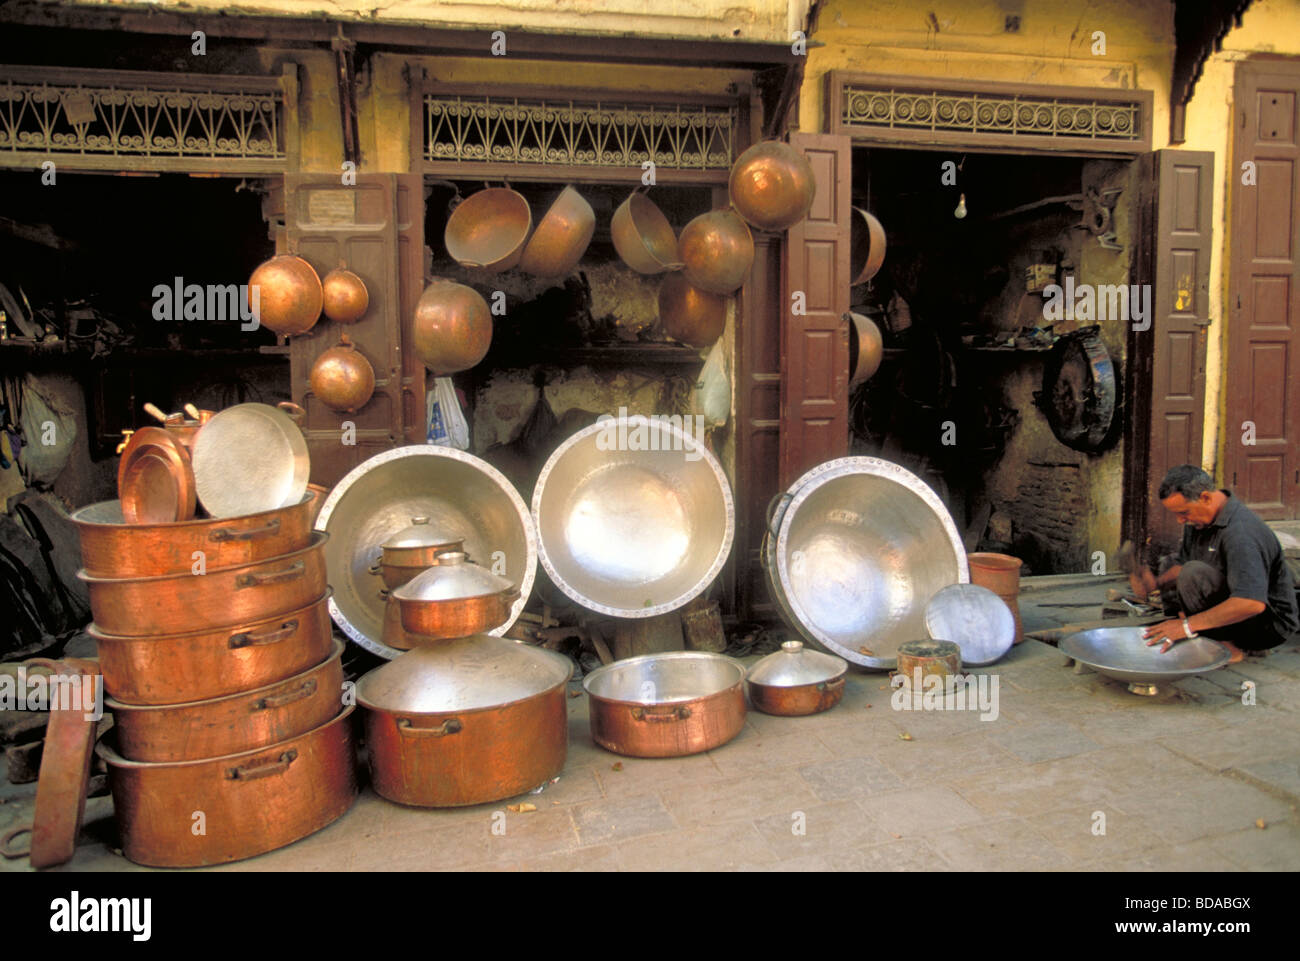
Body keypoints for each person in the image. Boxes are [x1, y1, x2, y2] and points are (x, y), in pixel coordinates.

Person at [1132, 465, 1299, 663]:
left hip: (1268, 625)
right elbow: (1181, 565)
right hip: (1237, 600)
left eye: (1184, 512)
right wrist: (1156, 583)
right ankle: (1206, 630)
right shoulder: (1199, 520)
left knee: (1193, 573)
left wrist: (1186, 626)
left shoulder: (1241, 533)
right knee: (1173, 564)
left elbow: (1251, 603)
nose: (1179, 520)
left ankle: (1230, 648)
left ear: (1205, 498)